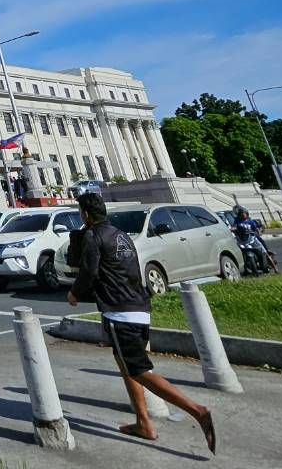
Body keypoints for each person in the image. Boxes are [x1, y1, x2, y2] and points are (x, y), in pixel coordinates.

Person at [68, 192, 216, 453]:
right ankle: (143, 423)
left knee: (138, 370)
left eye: (81, 212)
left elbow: (89, 270)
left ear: (86, 215)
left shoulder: (94, 235)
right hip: (139, 308)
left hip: (120, 313)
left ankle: (197, 410)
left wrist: (74, 293)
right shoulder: (121, 235)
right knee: (127, 366)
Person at [232, 207, 278, 273]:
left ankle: (275, 269)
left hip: (252, 238)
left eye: (243, 214)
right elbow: (234, 227)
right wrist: (232, 229)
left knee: (265, 251)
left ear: (247, 214)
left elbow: (256, 228)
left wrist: (257, 232)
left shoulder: (250, 221)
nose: (242, 215)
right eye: (240, 214)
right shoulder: (237, 221)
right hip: (243, 240)